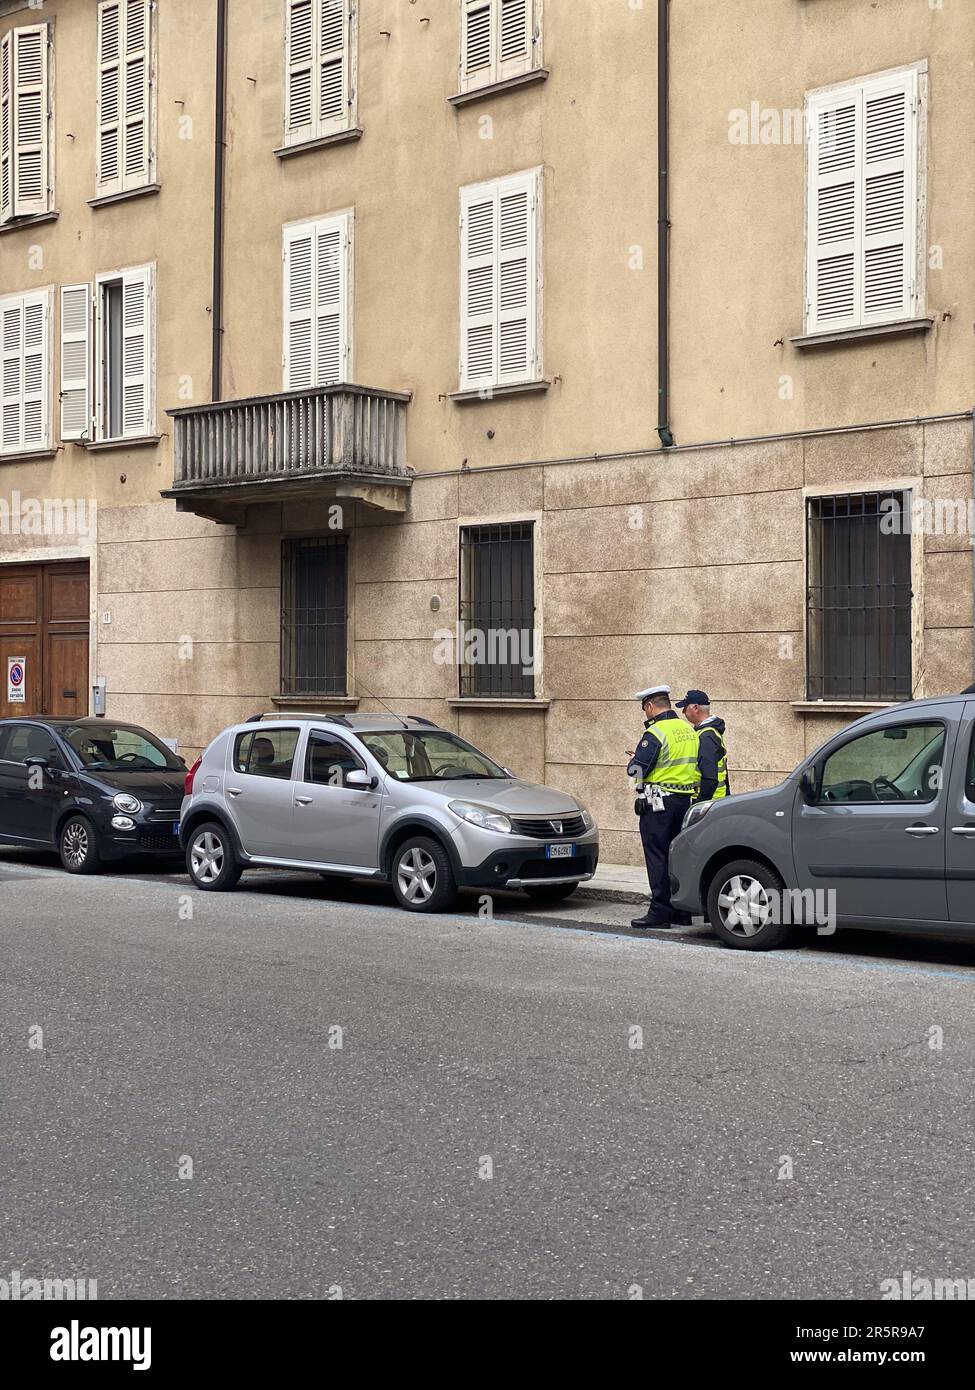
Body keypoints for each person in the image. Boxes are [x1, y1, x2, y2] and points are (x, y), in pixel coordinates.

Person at [626, 685, 701, 929]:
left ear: (649, 706)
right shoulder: (688, 730)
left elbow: (637, 770)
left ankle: (659, 911)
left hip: (658, 804)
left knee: (657, 856)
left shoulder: (656, 733)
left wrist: (633, 761)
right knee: (676, 857)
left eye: (645, 709)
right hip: (684, 801)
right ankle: (681, 910)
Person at [676, 689, 729, 801]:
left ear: (695, 708)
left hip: (709, 803)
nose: (683, 712)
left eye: (685, 708)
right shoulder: (707, 732)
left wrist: (699, 804)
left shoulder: (706, 736)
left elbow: (710, 777)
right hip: (714, 801)